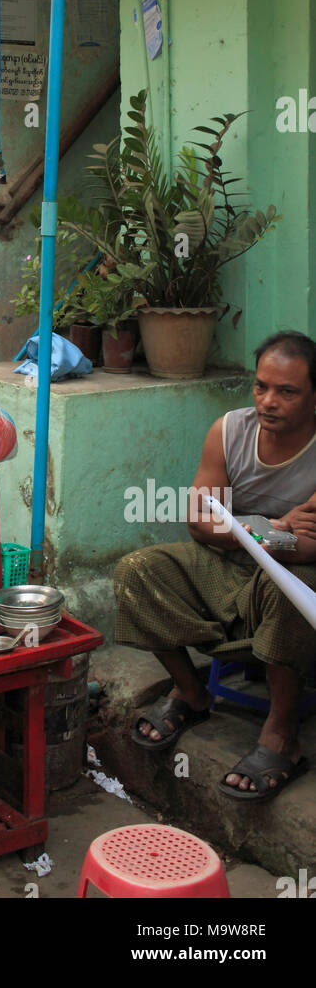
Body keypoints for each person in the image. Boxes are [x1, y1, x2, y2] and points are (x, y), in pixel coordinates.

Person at [115, 331, 316, 802]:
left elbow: (307, 551)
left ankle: (281, 736)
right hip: (229, 566)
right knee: (137, 571)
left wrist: (266, 536)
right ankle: (191, 693)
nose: (268, 401)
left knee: (288, 588)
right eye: (261, 386)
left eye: (287, 391)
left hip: (294, 583)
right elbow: (200, 523)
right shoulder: (229, 431)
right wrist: (275, 527)